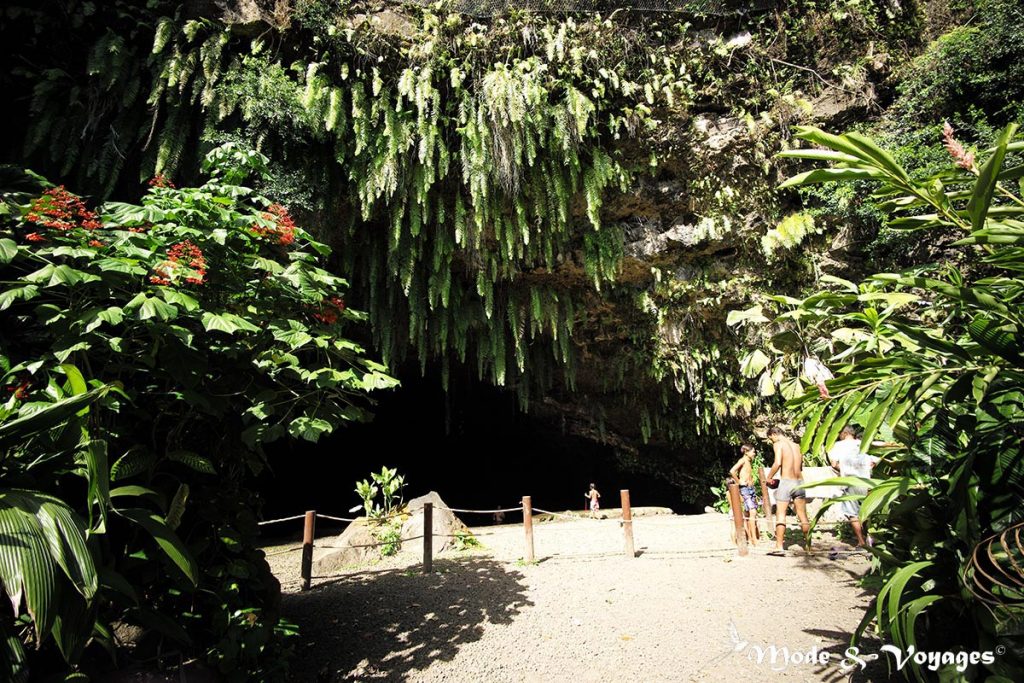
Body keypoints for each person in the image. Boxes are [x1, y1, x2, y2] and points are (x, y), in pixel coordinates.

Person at [827, 425, 879, 548]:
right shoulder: (863, 444)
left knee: (853, 513)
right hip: (866, 482)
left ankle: (861, 542)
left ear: (844, 433)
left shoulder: (838, 446)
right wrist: (865, 469)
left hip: (850, 482)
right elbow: (874, 461)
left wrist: (844, 469)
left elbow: (834, 463)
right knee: (867, 510)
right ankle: (870, 538)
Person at [765, 426, 810, 554]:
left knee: (780, 514)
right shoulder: (797, 446)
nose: (772, 442)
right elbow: (800, 467)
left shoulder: (779, 444)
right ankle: (809, 547)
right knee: (802, 515)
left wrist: (769, 477)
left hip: (787, 481)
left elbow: (778, 463)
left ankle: (779, 546)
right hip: (800, 483)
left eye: (771, 439)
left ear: (774, 434)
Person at [728, 444, 760, 546]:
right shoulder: (742, 460)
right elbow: (732, 471)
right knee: (752, 512)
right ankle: (753, 539)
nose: (754, 453)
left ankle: (750, 538)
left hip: (750, 488)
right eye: (753, 452)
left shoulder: (749, 461)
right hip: (745, 489)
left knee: (748, 514)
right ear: (746, 452)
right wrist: (739, 482)